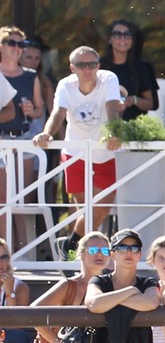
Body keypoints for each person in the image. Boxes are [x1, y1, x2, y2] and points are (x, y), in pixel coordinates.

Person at [34, 45, 123, 243]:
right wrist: (47, 134)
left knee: (100, 210)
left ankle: (71, 244)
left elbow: (112, 108)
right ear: (72, 67)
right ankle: (87, 254)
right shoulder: (66, 84)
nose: (88, 69)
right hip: (75, 151)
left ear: (98, 65)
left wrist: (115, 133)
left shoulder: (109, 78)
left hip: (106, 152)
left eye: (92, 64)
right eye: (82, 65)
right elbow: (58, 112)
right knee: (86, 210)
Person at [0, 27, 44, 246]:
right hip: (1, 141)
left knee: (21, 200)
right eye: (12, 43)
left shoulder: (29, 75)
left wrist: (30, 111)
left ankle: (24, 253)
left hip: (24, 138)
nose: (17, 48)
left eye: (21, 45)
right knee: (3, 200)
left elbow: (39, 110)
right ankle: (6, 254)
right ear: (1, 46)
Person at [101, 18, 159, 120]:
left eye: (127, 35)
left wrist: (133, 100)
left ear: (132, 39)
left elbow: (151, 104)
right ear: (110, 39)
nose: (122, 38)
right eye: (117, 34)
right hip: (102, 127)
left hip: (133, 129)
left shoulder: (142, 67)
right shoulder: (99, 66)